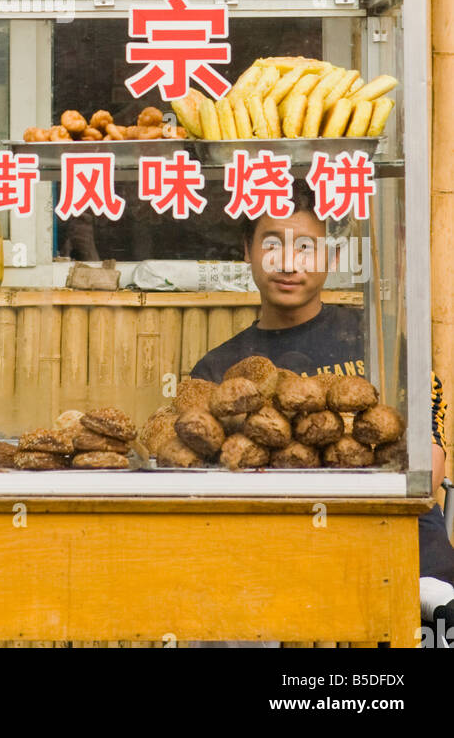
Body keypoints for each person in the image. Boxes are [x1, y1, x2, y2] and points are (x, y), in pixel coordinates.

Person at [191, 183, 454, 647]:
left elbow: (429, 465)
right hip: (278, 561)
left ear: (329, 258)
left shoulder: (380, 343)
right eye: (272, 244)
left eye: (305, 247)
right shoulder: (220, 372)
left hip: (401, 553)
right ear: (247, 252)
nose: (289, 263)